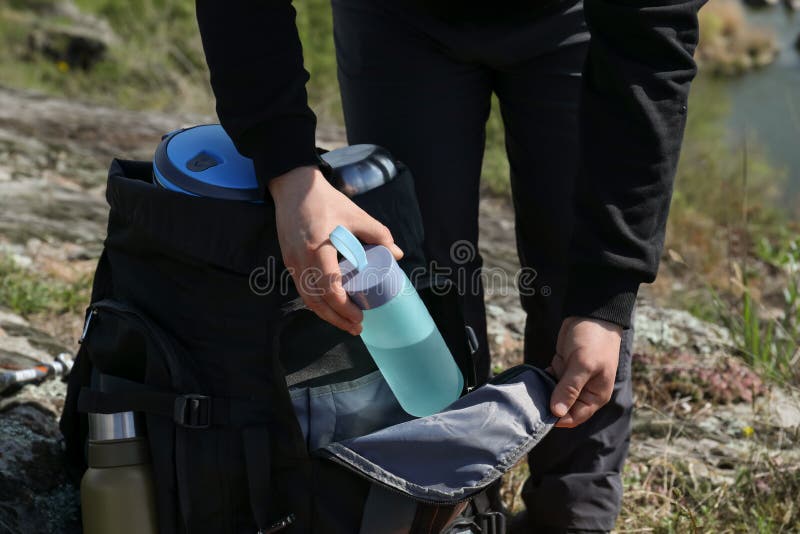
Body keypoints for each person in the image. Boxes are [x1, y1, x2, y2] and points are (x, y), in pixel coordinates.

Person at [195, 0, 704, 531]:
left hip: (583, 18)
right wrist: (289, 172)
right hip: (396, 19)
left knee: (580, 298)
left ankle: (571, 518)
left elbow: (653, 46)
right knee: (414, 286)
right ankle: (452, 512)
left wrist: (607, 295)